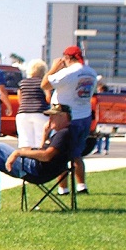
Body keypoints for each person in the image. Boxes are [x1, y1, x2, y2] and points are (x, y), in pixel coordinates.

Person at [0, 104, 74, 211]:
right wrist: (45, 133)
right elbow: (43, 150)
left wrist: (19, 153)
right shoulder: (58, 133)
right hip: (37, 169)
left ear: (64, 116)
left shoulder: (63, 133)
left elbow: (47, 156)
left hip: (37, 170)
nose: (50, 119)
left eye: (53, 116)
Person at [43, 44, 99, 194]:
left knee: (60, 154)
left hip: (66, 117)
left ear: (67, 58)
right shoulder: (91, 73)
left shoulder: (68, 73)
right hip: (84, 115)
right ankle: (81, 186)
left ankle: (63, 188)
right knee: (77, 154)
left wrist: (54, 68)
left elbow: (45, 84)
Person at [14, 59, 49, 150]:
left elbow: (20, 100)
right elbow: (48, 98)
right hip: (40, 112)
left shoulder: (22, 83)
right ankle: (39, 162)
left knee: (25, 142)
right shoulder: (43, 83)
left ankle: (26, 162)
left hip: (23, 113)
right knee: (40, 141)